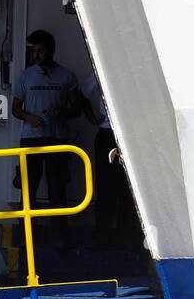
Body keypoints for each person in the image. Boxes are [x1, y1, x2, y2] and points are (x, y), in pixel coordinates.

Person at [12, 29, 81, 257]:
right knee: (28, 189)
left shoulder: (67, 77)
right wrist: (28, 117)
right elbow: (15, 109)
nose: (37, 55)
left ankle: (59, 237)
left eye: (40, 51)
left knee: (57, 189)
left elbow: (77, 110)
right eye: (34, 51)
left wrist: (62, 111)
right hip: (31, 139)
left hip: (57, 139)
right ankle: (25, 235)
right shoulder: (25, 76)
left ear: (51, 50)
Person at [80, 72, 134, 249]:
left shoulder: (134, 70)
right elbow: (82, 94)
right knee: (105, 186)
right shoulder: (102, 70)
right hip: (107, 134)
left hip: (129, 134)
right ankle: (103, 236)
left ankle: (126, 236)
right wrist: (92, 116)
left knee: (128, 187)